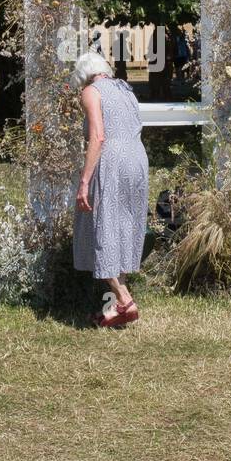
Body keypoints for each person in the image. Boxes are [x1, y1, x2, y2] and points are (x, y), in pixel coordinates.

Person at [72, 51, 149, 328]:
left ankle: (125, 299)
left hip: (112, 160)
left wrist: (84, 181)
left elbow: (98, 136)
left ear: (82, 76)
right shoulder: (125, 88)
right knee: (125, 226)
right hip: (137, 158)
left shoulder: (91, 92)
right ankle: (117, 309)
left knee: (98, 226)